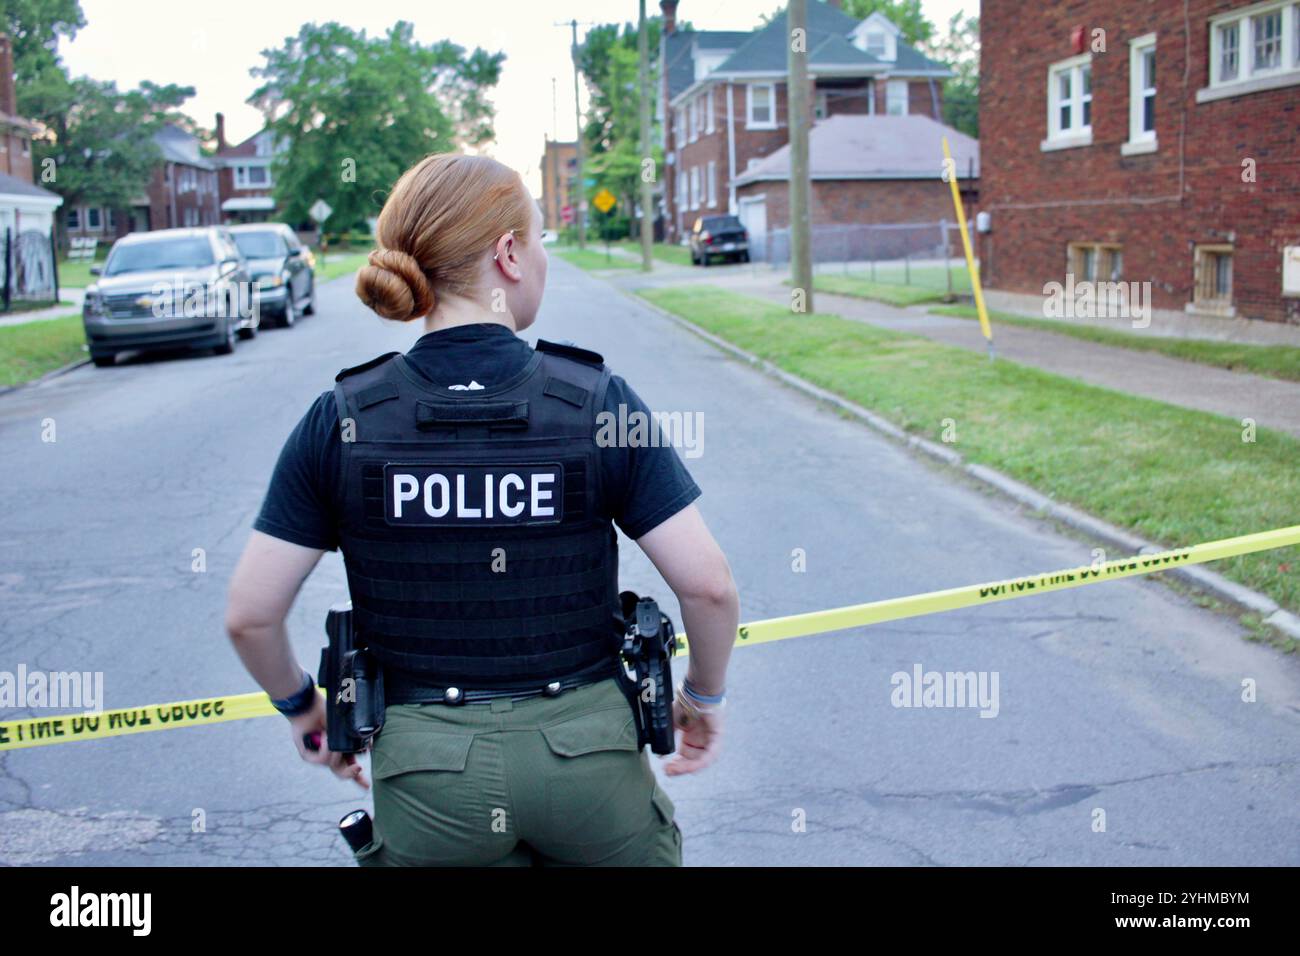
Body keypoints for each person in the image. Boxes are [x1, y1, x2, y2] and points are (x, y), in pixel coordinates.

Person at [224, 152, 739, 866]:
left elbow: (250, 615)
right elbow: (709, 587)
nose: (542, 260)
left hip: (430, 779)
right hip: (589, 768)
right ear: (508, 254)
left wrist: (301, 708)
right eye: (536, 240)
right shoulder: (594, 401)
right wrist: (702, 699)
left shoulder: (343, 417)